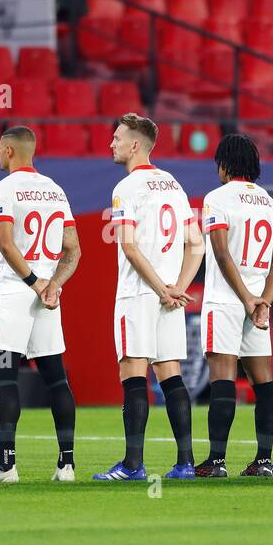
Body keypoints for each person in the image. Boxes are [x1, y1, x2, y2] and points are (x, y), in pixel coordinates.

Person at [0, 126, 82, 483]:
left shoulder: (2, 190)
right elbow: (74, 249)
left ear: (8, 151)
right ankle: (66, 465)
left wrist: (34, 284)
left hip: (15, 294)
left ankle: (6, 465)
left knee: (5, 376)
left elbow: (6, 244)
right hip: (48, 297)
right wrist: (53, 286)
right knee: (56, 378)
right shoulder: (56, 190)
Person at [94, 113, 202, 481]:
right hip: (169, 297)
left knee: (133, 374)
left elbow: (129, 246)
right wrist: (178, 288)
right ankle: (185, 463)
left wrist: (159, 288)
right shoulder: (173, 184)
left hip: (140, 293)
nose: (112, 143)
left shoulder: (127, 188)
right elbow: (197, 245)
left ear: (135, 145)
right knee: (171, 374)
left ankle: (133, 465)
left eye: (117, 137)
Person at [193, 134, 273, 478]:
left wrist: (247, 299)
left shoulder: (217, 199)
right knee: (263, 382)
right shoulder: (268, 202)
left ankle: (216, 461)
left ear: (224, 163)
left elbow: (220, 253)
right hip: (259, 303)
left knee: (223, 379)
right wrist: (265, 300)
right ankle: (263, 460)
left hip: (226, 301)